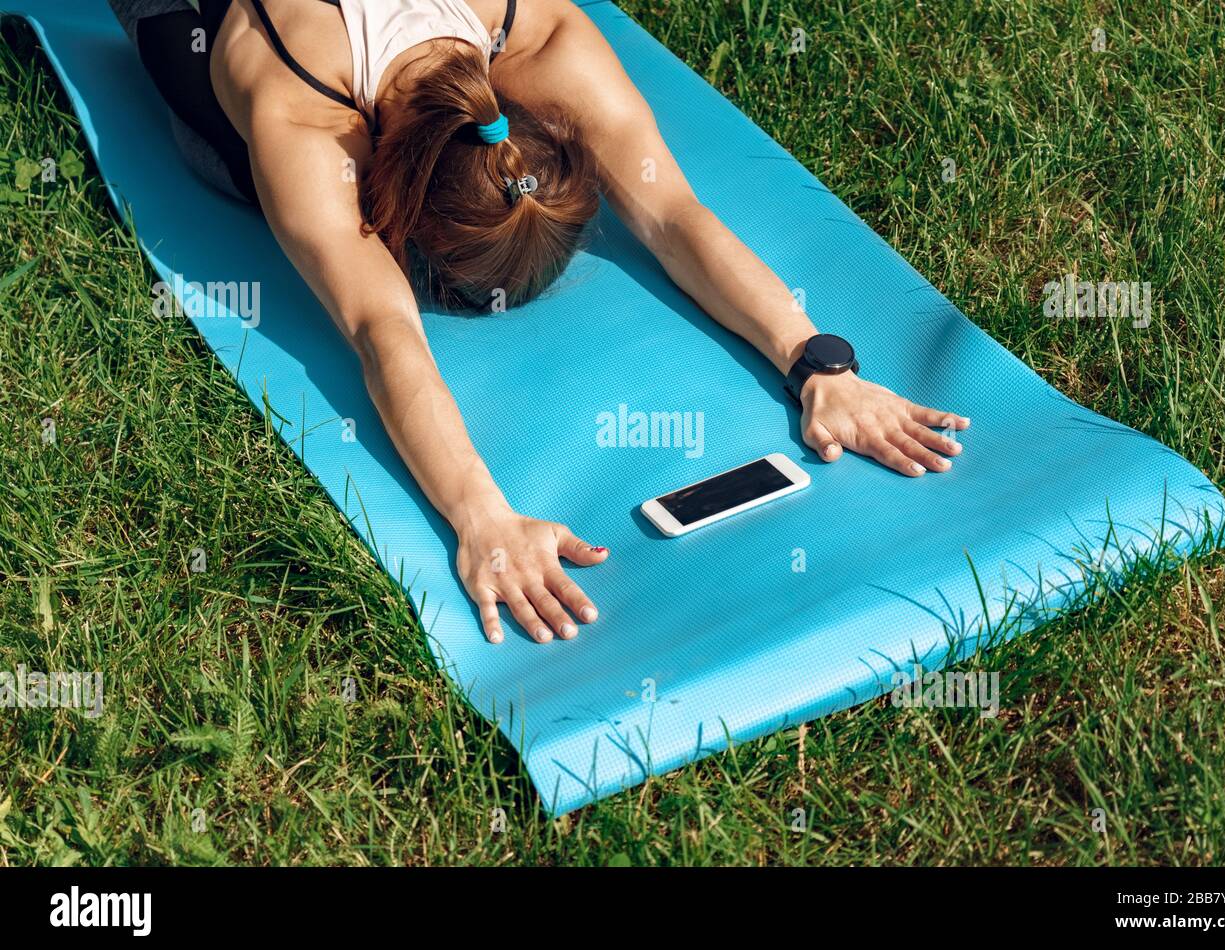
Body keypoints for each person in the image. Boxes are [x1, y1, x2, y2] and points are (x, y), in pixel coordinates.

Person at [109, 0, 970, 643]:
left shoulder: (531, 27)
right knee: (232, 177)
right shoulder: (302, 114)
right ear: (394, 207)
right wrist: (480, 515)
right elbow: (383, 327)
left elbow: (671, 214)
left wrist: (819, 362)